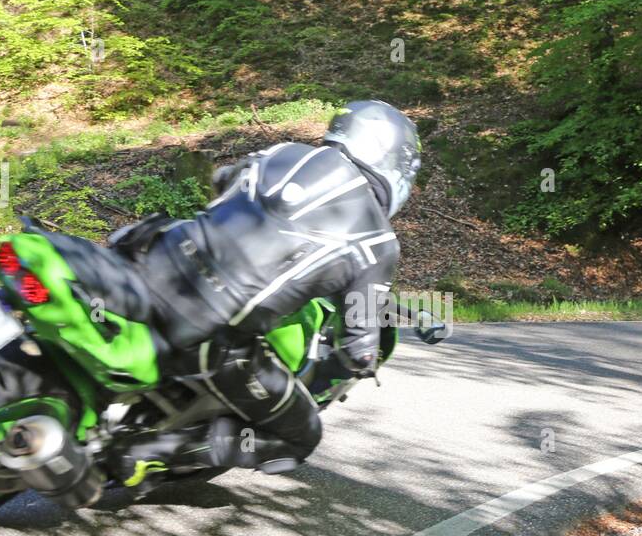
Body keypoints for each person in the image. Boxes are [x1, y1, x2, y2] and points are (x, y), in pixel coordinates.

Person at [107, 100, 421, 477]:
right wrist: (365, 361)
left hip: (148, 260)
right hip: (211, 331)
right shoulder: (378, 243)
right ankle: (140, 455)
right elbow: (357, 347)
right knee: (300, 437)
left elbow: (224, 179)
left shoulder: (283, 152)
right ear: (393, 162)